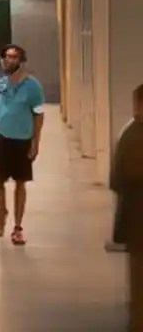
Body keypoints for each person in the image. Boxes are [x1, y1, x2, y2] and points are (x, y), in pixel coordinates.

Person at [0, 43, 44, 245]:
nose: (9, 60)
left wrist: (35, 142)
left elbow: (39, 115)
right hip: (0, 138)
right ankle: (2, 209)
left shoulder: (33, 86)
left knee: (20, 183)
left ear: (21, 61)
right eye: (6, 57)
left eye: (14, 57)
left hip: (22, 140)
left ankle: (18, 227)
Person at [110, 83, 143, 330]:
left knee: (138, 281)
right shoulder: (133, 135)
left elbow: (116, 180)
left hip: (135, 219)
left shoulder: (130, 134)